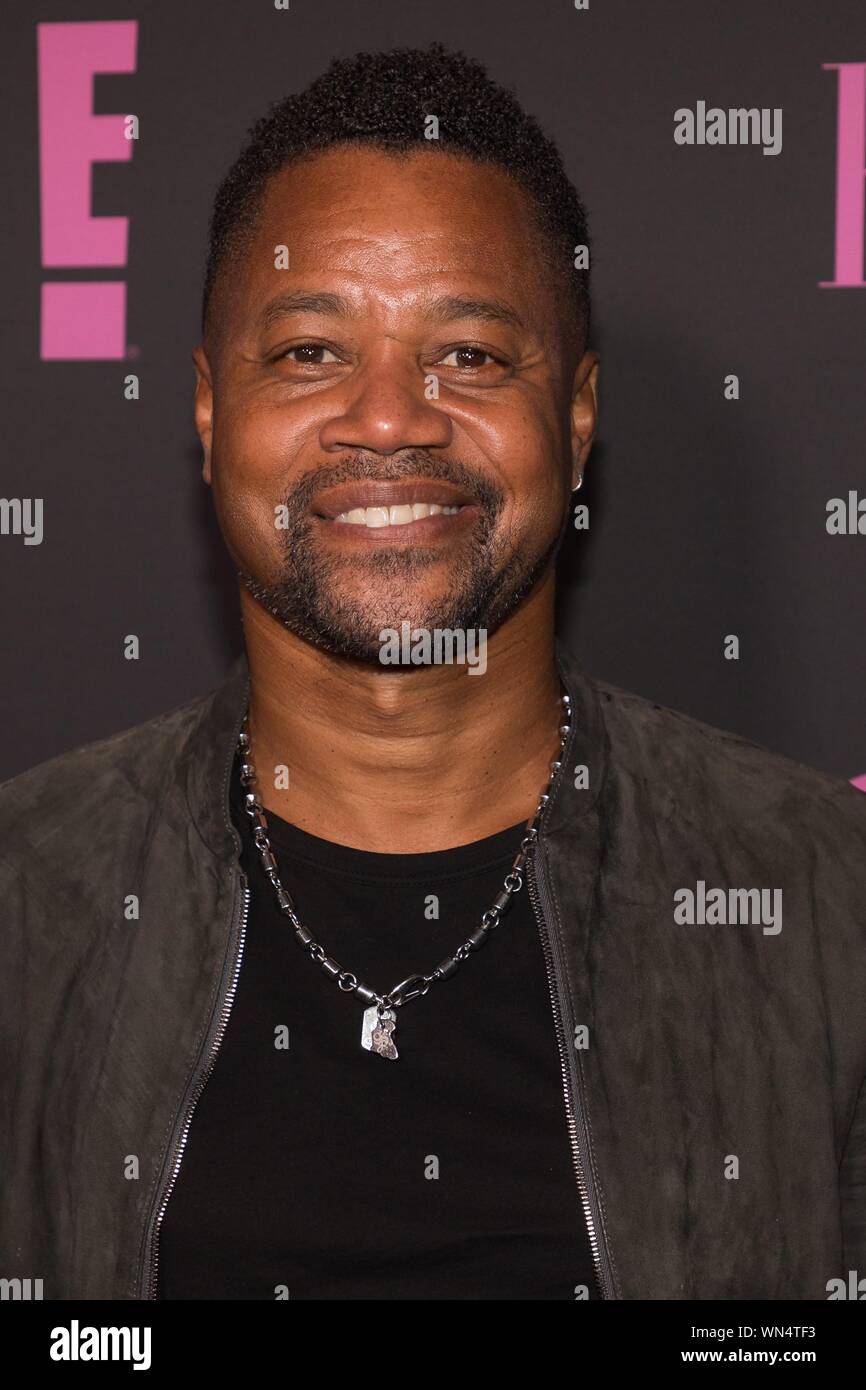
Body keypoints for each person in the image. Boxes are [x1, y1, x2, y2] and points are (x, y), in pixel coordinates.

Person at [1, 42, 864, 1303]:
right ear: (205, 414)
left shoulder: (822, 904)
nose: (390, 417)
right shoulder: (27, 907)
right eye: (307, 353)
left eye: (468, 354)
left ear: (572, 423)